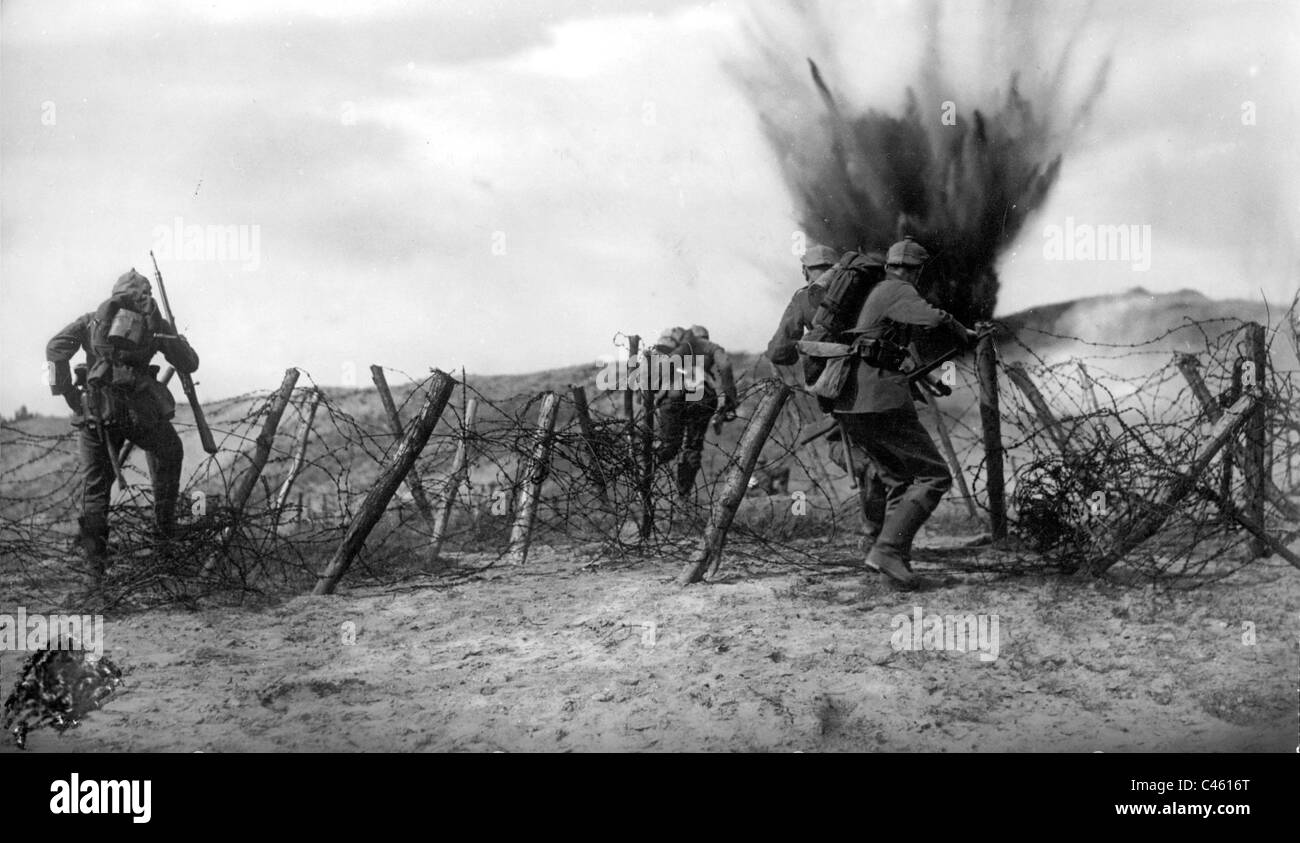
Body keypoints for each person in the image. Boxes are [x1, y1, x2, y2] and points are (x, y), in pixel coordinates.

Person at [833, 236, 978, 587]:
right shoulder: (898, 291)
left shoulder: (877, 294)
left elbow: (899, 352)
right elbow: (933, 319)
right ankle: (886, 551)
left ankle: (895, 566)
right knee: (935, 475)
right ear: (917, 270)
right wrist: (963, 332)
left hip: (852, 401)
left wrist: (929, 381)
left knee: (899, 478)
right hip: (881, 399)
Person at [46, 269, 200, 585]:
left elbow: (54, 348)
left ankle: (95, 573)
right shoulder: (154, 324)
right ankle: (164, 546)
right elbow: (189, 363)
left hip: (96, 411)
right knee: (169, 453)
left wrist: (70, 395)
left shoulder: (92, 320)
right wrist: (174, 337)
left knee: (95, 488)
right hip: (140, 412)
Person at [767, 244, 892, 553]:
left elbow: (779, 352)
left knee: (842, 446)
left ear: (806, 270)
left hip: (835, 387)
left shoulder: (804, 297)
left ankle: (873, 527)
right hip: (877, 379)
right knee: (880, 445)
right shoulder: (867, 289)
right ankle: (877, 530)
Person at [653, 325, 738, 497]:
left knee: (668, 445)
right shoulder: (712, 347)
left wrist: (659, 393)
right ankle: (682, 495)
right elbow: (726, 366)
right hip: (701, 396)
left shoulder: (683, 347)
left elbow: (665, 367)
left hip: (674, 394)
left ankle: (643, 474)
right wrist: (730, 398)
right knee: (692, 447)